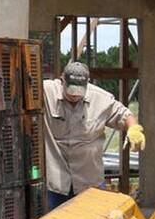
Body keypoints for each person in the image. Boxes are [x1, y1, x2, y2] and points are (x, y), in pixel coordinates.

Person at [43, 61, 145, 210]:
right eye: (70, 90)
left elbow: (124, 114)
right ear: (62, 80)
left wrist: (134, 129)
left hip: (89, 182)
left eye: (79, 91)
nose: (74, 96)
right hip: (56, 184)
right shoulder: (46, 91)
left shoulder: (101, 98)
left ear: (87, 84)